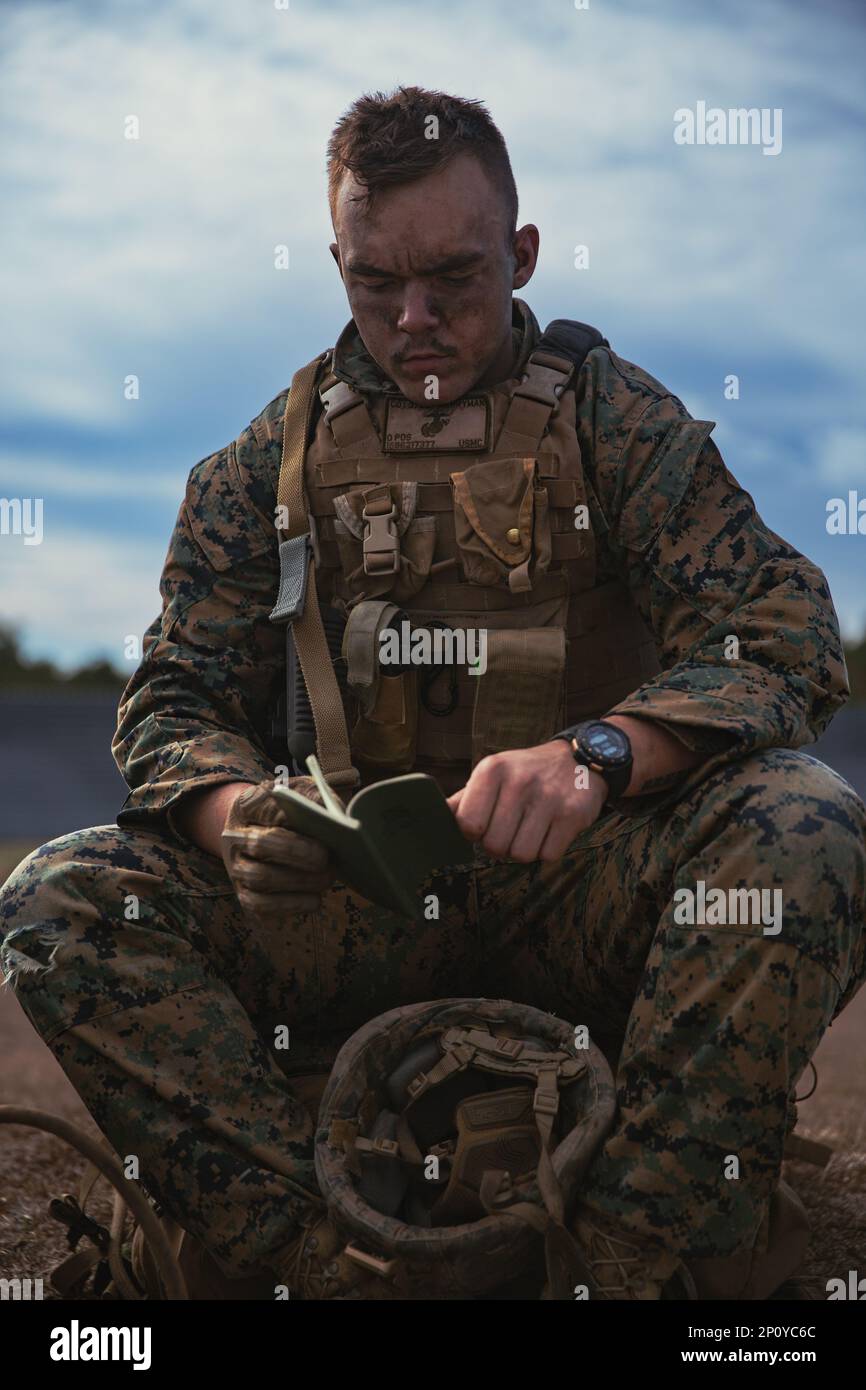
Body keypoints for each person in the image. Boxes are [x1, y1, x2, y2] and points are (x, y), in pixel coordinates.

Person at [2, 86, 864, 1300]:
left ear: (518, 255)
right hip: (348, 911)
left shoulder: (615, 425)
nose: (413, 320)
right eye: (373, 284)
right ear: (338, 263)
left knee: (806, 827)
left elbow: (781, 631)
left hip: (580, 896)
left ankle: (619, 1264)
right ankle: (325, 1266)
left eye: (453, 280)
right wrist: (236, 817)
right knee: (62, 898)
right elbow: (170, 700)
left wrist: (599, 756)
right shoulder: (267, 465)